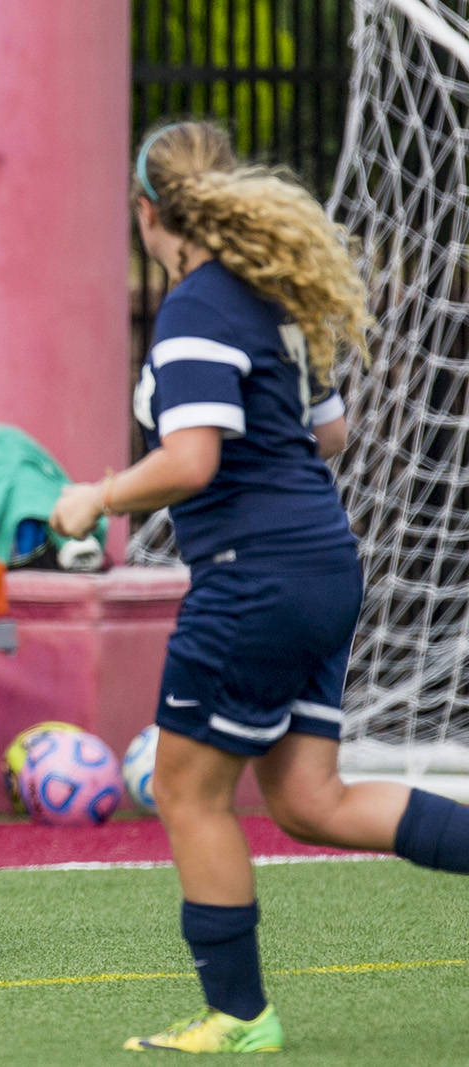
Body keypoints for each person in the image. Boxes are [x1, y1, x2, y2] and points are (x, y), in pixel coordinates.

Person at [50, 120, 469, 1053]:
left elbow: (192, 459)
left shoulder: (198, 304)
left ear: (146, 211)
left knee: (186, 791)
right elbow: (332, 435)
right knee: (309, 801)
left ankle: (239, 1016)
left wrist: (98, 498)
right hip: (323, 564)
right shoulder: (274, 299)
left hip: (256, 578)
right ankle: (240, 1011)